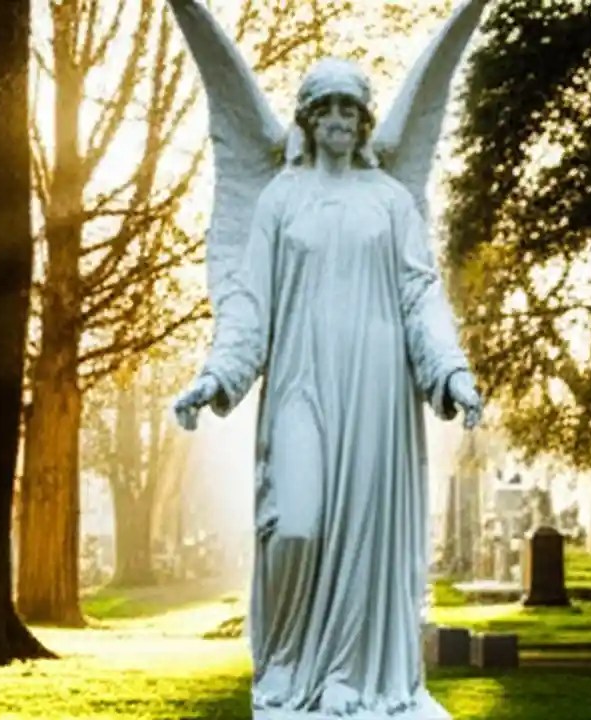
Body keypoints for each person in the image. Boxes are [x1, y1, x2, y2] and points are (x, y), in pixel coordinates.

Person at [173, 54, 483, 719]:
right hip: (300, 384)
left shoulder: (391, 200)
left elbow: (420, 293)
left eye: (350, 108)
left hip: (376, 392)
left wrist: (450, 369)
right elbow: (251, 301)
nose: (339, 120)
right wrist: (216, 376)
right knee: (296, 526)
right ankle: (287, 670)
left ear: (364, 120)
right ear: (308, 120)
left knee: (367, 547)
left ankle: (355, 680)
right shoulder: (280, 198)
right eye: (327, 109)